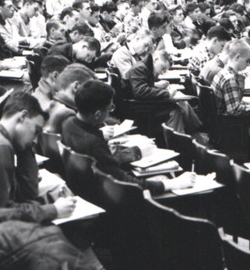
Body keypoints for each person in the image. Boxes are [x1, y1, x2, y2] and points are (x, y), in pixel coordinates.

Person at [59, 80, 196, 195]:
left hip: (85, 188)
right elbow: (125, 182)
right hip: (108, 198)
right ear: (97, 115)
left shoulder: (68, 123)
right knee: (167, 177)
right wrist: (171, 184)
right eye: (110, 108)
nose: (111, 110)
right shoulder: (93, 144)